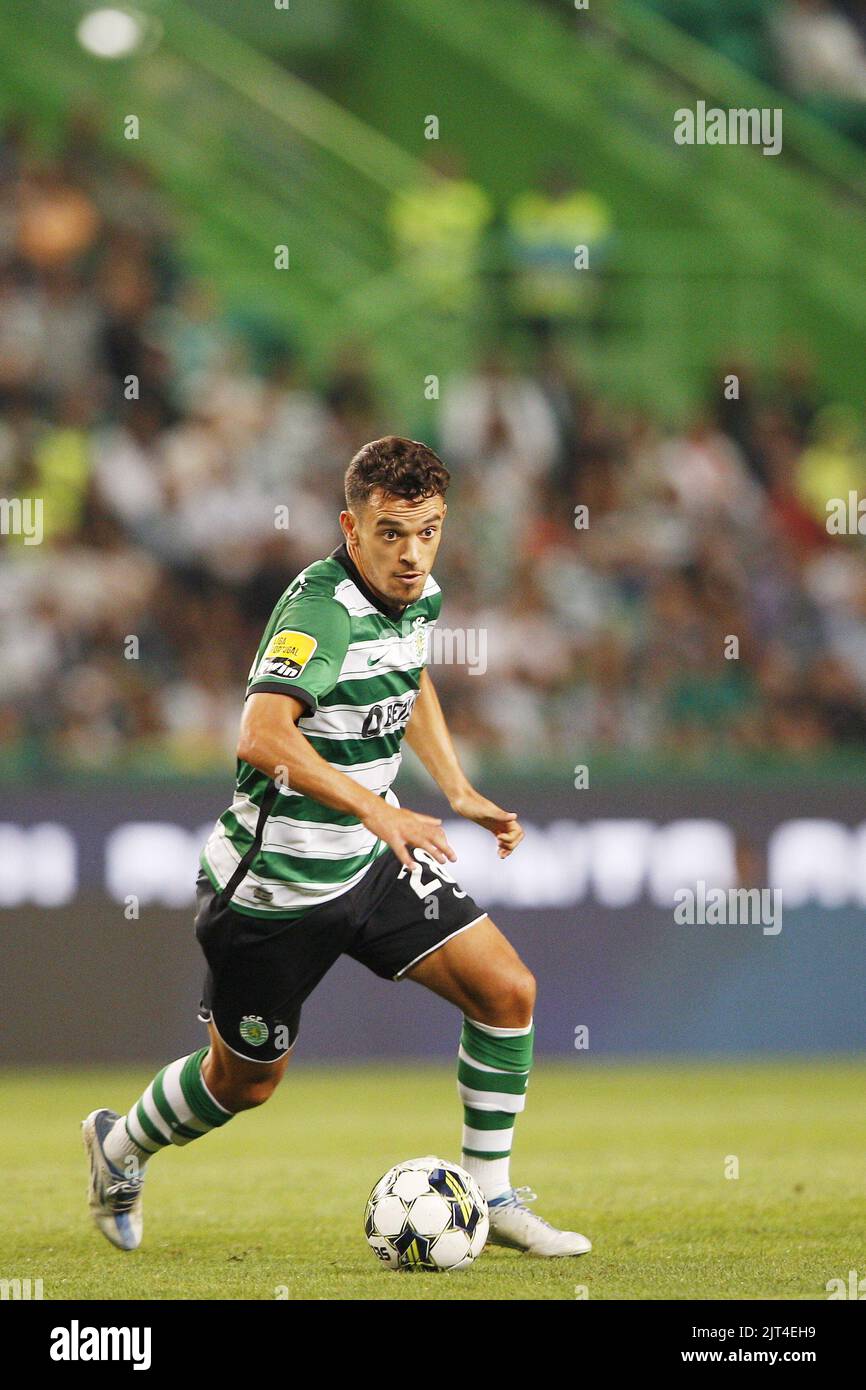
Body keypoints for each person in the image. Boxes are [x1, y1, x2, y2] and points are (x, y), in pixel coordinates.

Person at [82, 436, 592, 1259]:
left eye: (427, 532)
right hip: (275, 888)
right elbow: (261, 735)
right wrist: (380, 813)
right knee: (244, 1083)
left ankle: (491, 1196)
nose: (412, 554)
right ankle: (120, 1145)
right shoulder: (321, 610)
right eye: (391, 533)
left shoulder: (415, 596)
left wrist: (455, 787)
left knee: (507, 992)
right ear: (351, 529)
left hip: (371, 861)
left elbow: (408, 674)